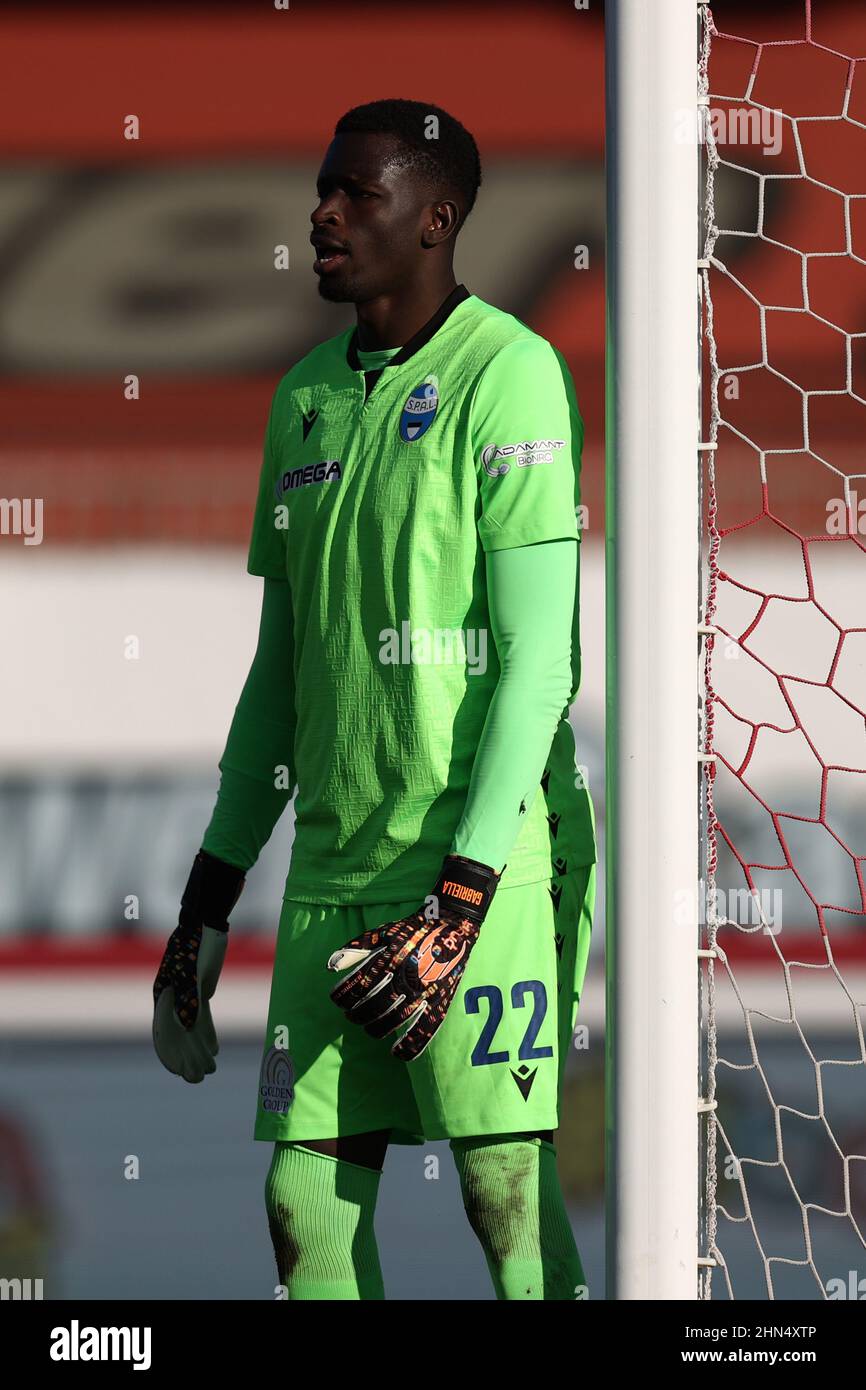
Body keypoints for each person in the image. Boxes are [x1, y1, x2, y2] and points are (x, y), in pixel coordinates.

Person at [153, 98, 596, 1301]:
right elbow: (278, 679)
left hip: (478, 864)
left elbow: (540, 665)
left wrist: (462, 897)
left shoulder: (507, 376)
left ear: (436, 218)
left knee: (500, 1191)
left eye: (356, 193)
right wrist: (208, 896)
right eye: (321, 188)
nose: (323, 214)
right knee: (300, 1202)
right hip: (335, 867)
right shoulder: (301, 397)